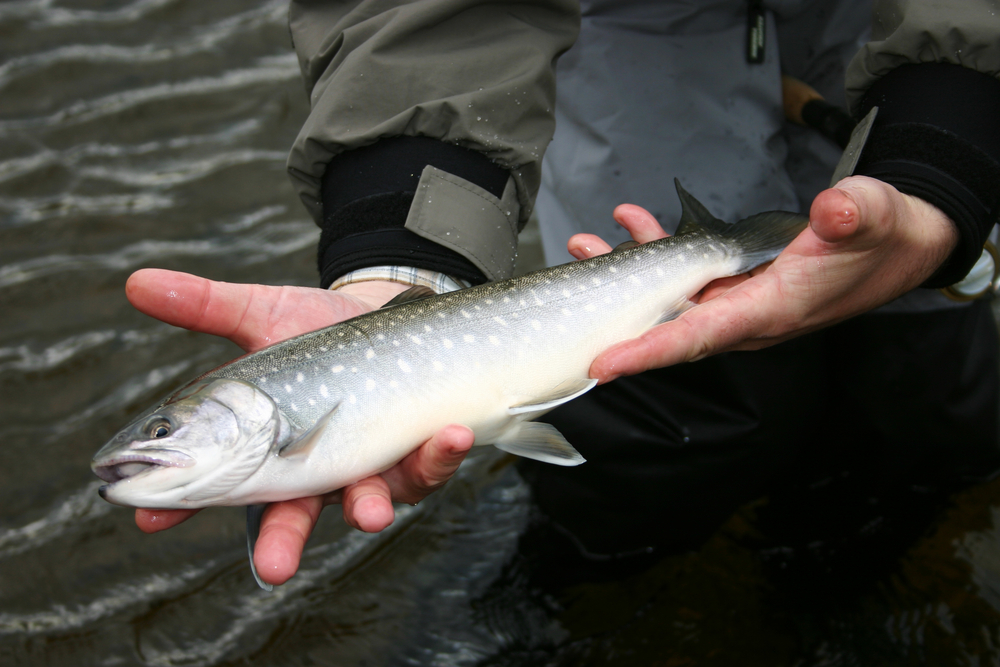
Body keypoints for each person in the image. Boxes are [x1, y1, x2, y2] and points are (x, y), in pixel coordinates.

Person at [128, 0, 1000, 587]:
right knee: (671, 398)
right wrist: (405, 246)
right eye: (159, 436)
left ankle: (865, 560)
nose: (146, 450)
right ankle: (608, 574)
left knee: (919, 382)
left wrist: (947, 155)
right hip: (629, 22)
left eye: (162, 432)